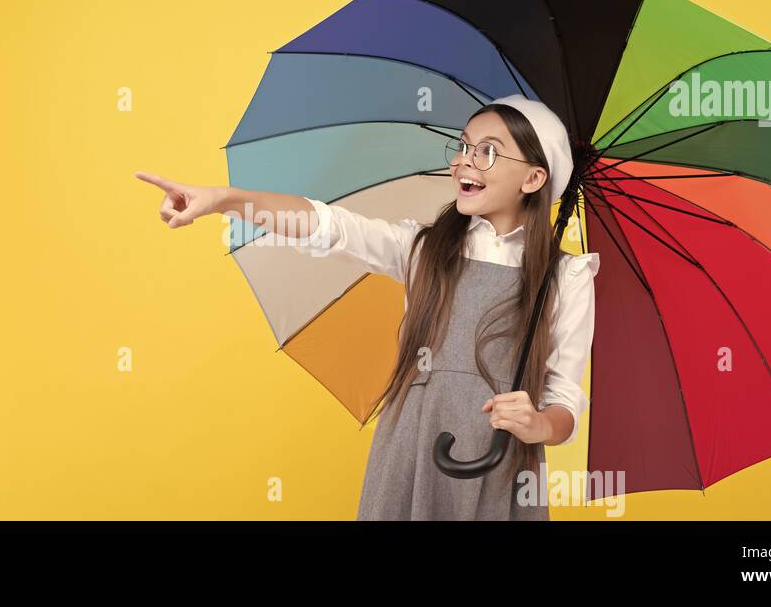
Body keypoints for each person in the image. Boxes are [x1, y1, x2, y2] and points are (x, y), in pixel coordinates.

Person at [136, 94, 599, 520]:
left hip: (499, 466)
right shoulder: (423, 249)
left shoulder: (567, 279)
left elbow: (563, 401)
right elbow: (329, 225)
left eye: (487, 151)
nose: (463, 161)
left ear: (534, 178)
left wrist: (538, 424)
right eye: (463, 145)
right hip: (410, 445)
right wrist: (226, 201)